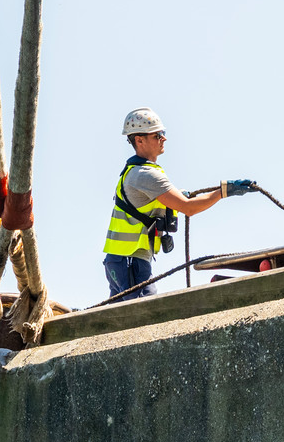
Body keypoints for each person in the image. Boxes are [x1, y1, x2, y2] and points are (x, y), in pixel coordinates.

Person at [103, 107, 253, 300]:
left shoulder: (135, 172)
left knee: (120, 320)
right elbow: (188, 208)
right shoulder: (145, 175)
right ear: (139, 140)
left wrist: (181, 197)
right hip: (131, 260)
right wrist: (223, 192)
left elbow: (163, 203)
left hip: (120, 261)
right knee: (144, 316)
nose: (163, 138)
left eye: (163, 133)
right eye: (157, 135)